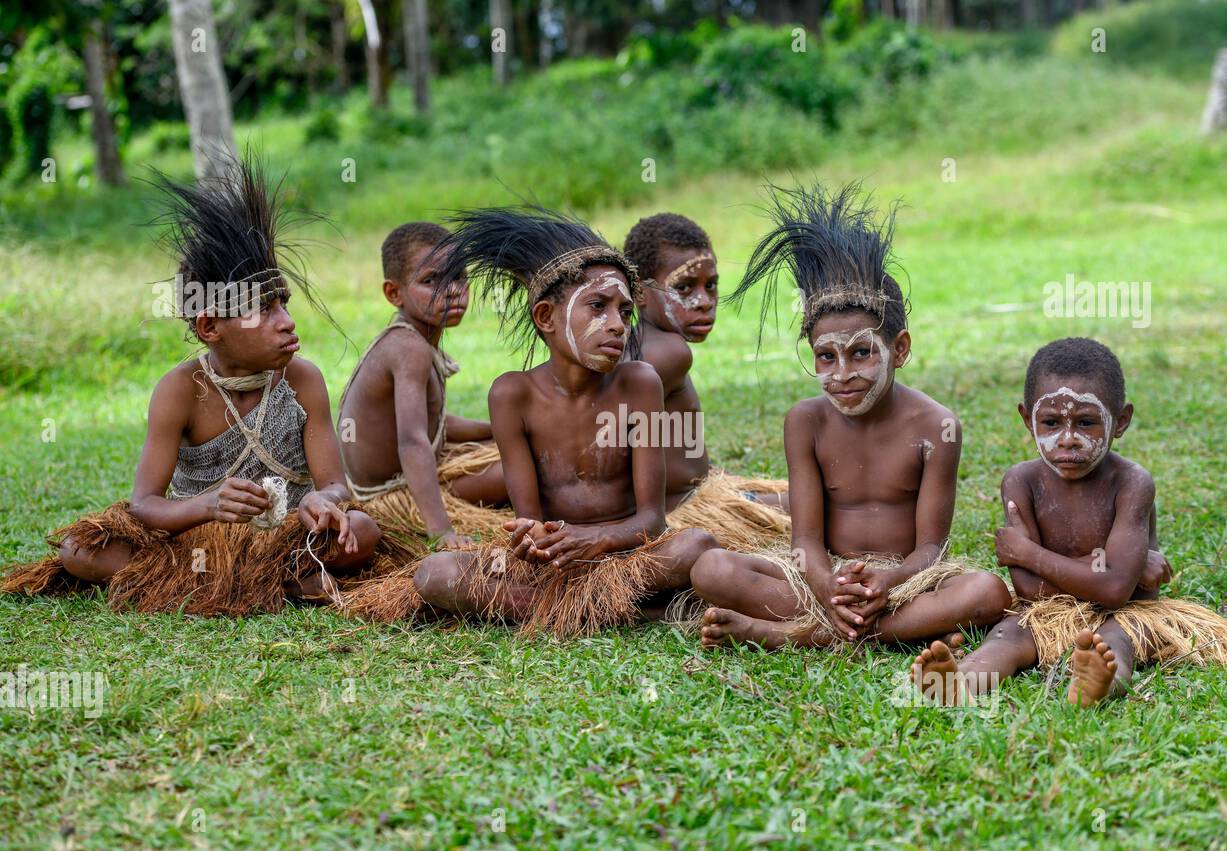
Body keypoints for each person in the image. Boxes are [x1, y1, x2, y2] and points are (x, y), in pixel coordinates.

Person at [2, 154, 415, 615]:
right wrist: (208, 504)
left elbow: (336, 483)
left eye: (284, 304)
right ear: (209, 327)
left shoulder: (302, 379)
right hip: (197, 538)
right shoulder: (179, 390)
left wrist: (323, 500)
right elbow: (145, 504)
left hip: (286, 538)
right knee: (80, 550)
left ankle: (243, 579)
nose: (287, 322)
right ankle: (274, 583)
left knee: (362, 532)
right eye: (264, 309)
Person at [344, 206, 717, 635]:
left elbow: (652, 521)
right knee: (436, 573)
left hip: (625, 556)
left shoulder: (639, 383)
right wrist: (536, 541)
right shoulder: (512, 394)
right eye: (598, 306)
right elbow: (529, 524)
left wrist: (592, 540)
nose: (617, 325)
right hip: (553, 569)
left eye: (625, 312)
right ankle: (623, 611)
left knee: (697, 545)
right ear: (545, 318)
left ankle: (569, 612)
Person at [686, 182, 1012, 650]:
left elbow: (930, 551)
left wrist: (887, 581)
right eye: (825, 357)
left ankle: (792, 636)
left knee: (987, 592)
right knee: (711, 569)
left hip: (904, 584)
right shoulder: (805, 422)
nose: (842, 375)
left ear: (898, 349)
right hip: (823, 579)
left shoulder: (935, 426)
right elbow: (806, 541)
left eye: (861, 353)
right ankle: (875, 633)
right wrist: (827, 586)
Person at [912, 337, 1227, 706]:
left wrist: (1029, 553)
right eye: (1050, 422)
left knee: (1117, 642)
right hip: (1049, 611)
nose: (1068, 440)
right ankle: (962, 682)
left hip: (1129, 611)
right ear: (1027, 420)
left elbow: (1114, 594)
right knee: (1007, 637)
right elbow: (1031, 591)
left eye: (1086, 422)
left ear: (1121, 421)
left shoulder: (1131, 483)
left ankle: (1099, 684)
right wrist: (1118, 569)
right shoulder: (1021, 482)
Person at [623, 212, 790, 551]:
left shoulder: (640, 343)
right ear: (638, 292)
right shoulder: (669, 352)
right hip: (686, 509)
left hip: (699, 493)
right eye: (684, 288)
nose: (703, 302)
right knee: (830, 506)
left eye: (710, 285)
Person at [336, 221, 509, 546]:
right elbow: (413, 442)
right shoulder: (410, 348)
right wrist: (442, 531)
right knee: (524, 464)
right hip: (395, 496)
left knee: (510, 445)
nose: (452, 290)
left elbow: (435, 423)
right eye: (431, 281)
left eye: (459, 277)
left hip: (408, 478)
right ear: (393, 293)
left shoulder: (415, 340)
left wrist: (496, 429)